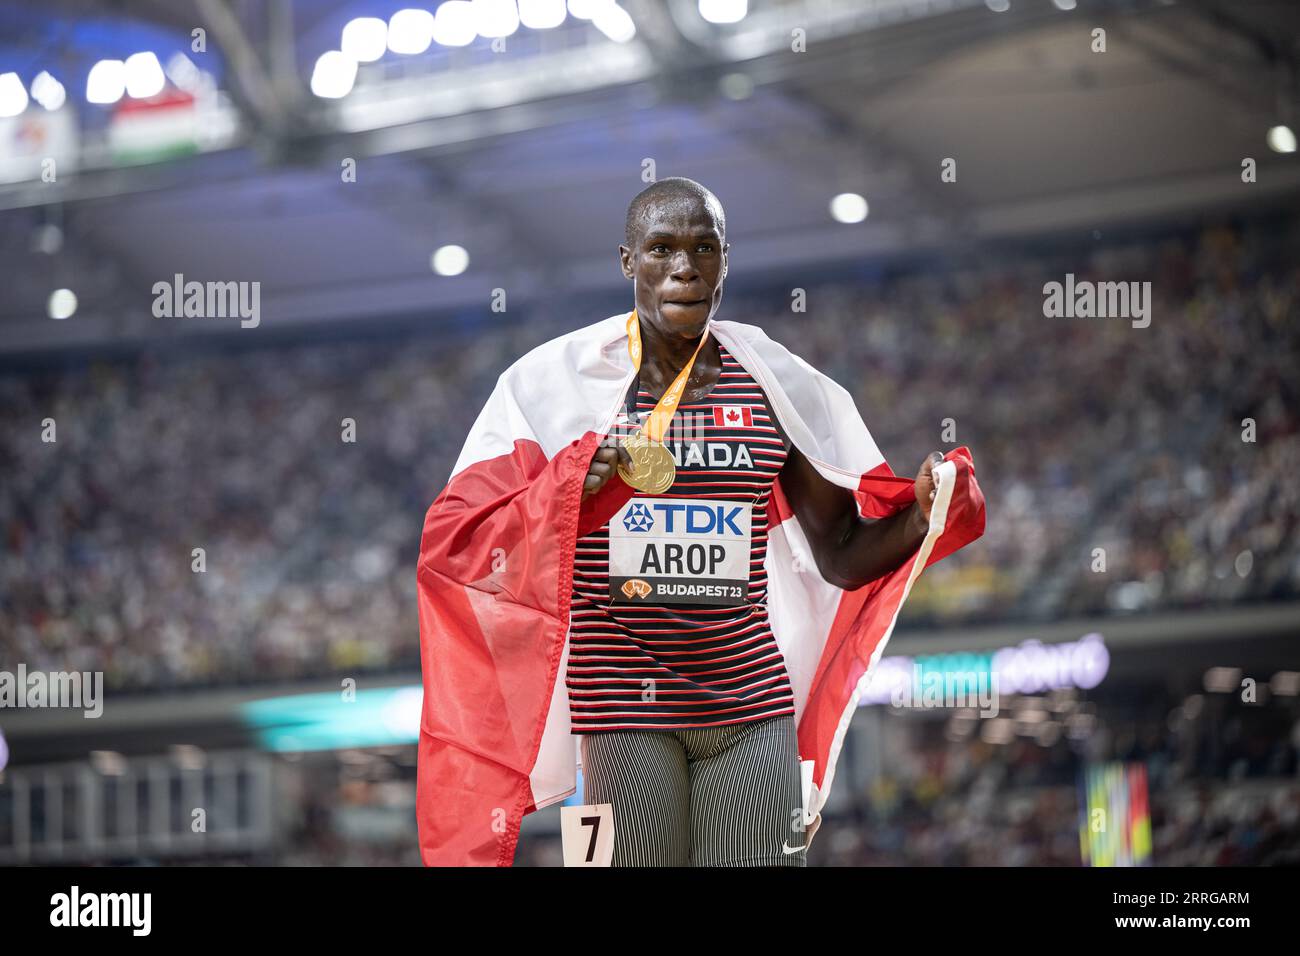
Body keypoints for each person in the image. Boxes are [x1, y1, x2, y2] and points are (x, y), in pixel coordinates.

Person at [415, 177, 985, 867]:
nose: (684, 267)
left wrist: (919, 516)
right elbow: (460, 539)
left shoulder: (773, 384)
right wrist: (566, 489)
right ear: (628, 261)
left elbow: (838, 551)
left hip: (749, 705)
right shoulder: (557, 388)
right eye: (661, 249)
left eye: (703, 248)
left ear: (724, 261)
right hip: (618, 711)